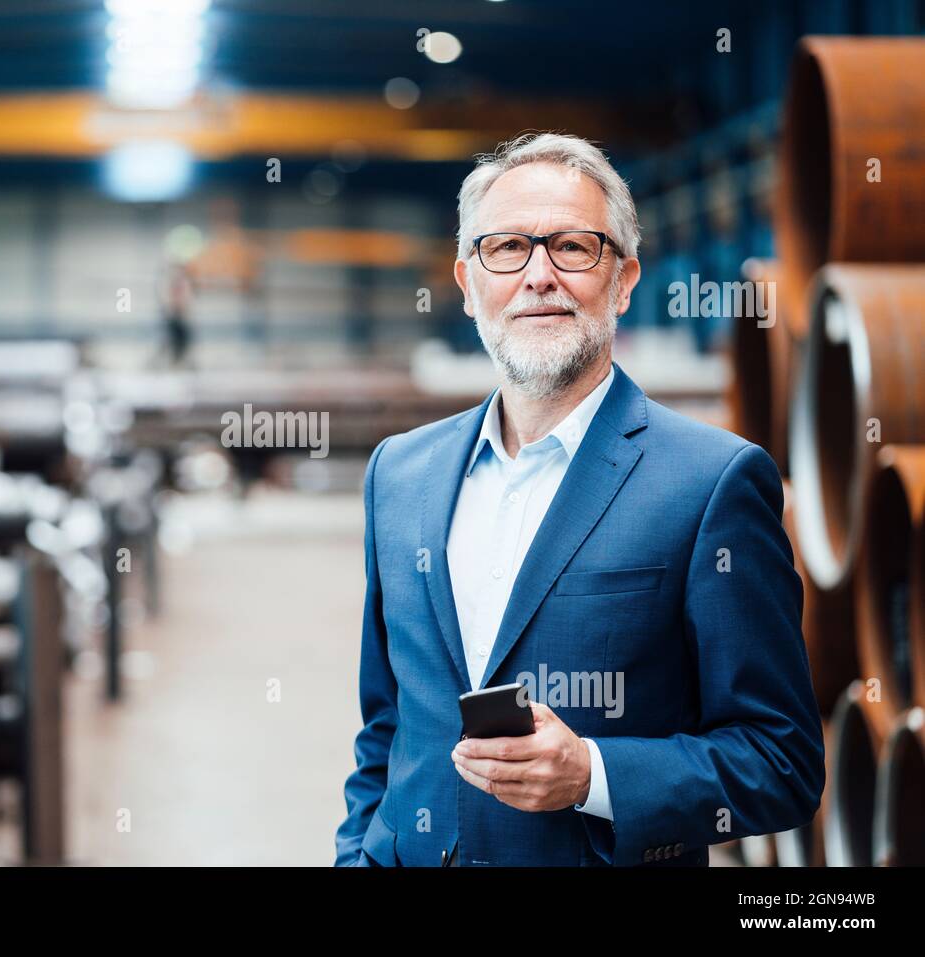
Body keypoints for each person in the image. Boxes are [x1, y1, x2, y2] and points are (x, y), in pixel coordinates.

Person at [334, 132, 823, 867]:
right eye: (506, 248)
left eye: (571, 246)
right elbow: (386, 726)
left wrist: (593, 774)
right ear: (468, 283)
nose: (538, 275)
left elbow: (780, 761)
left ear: (623, 280)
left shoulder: (711, 482)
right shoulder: (399, 474)